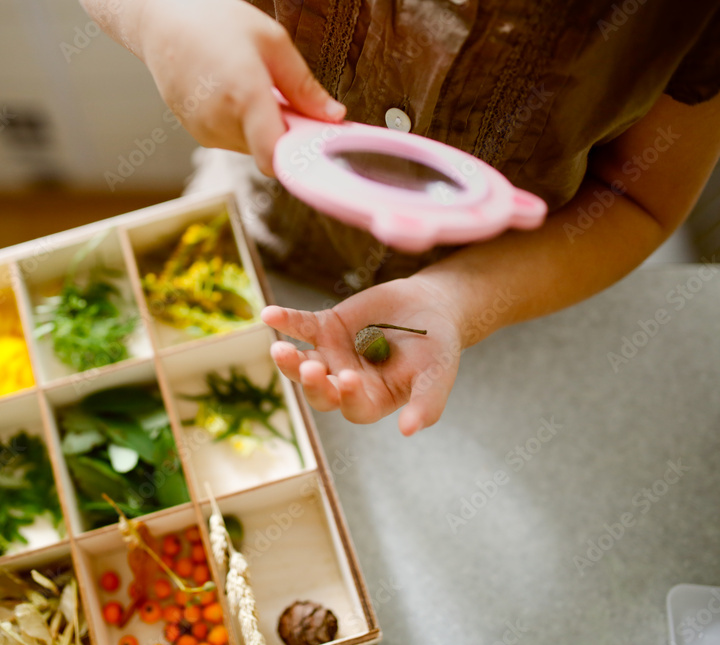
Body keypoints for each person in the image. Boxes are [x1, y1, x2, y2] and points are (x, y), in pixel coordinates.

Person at [81, 0, 720, 433]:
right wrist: (161, 16)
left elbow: (638, 197)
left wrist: (456, 302)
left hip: (516, 294)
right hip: (253, 225)